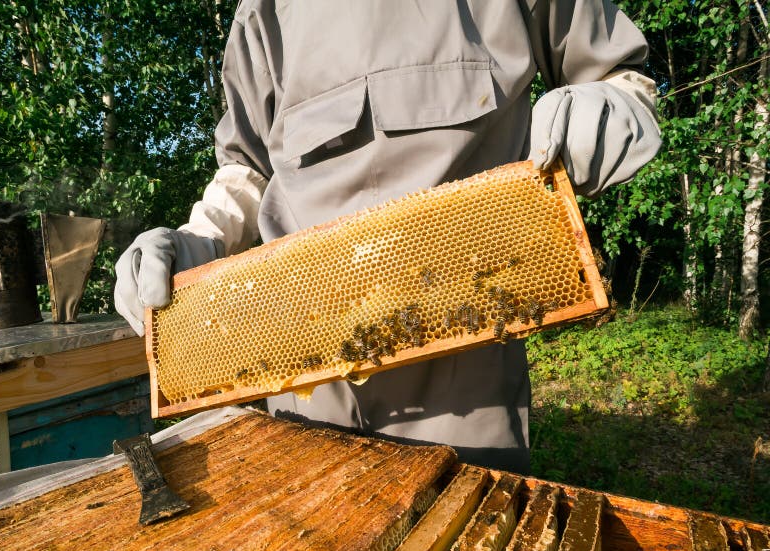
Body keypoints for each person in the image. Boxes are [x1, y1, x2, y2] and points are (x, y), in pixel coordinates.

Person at [115, 0, 661, 473]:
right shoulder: (263, 11)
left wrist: (608, 106)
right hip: (300, 379)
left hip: (465, 379)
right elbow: (247, 170)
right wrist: (200, 237)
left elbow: (620, 74)